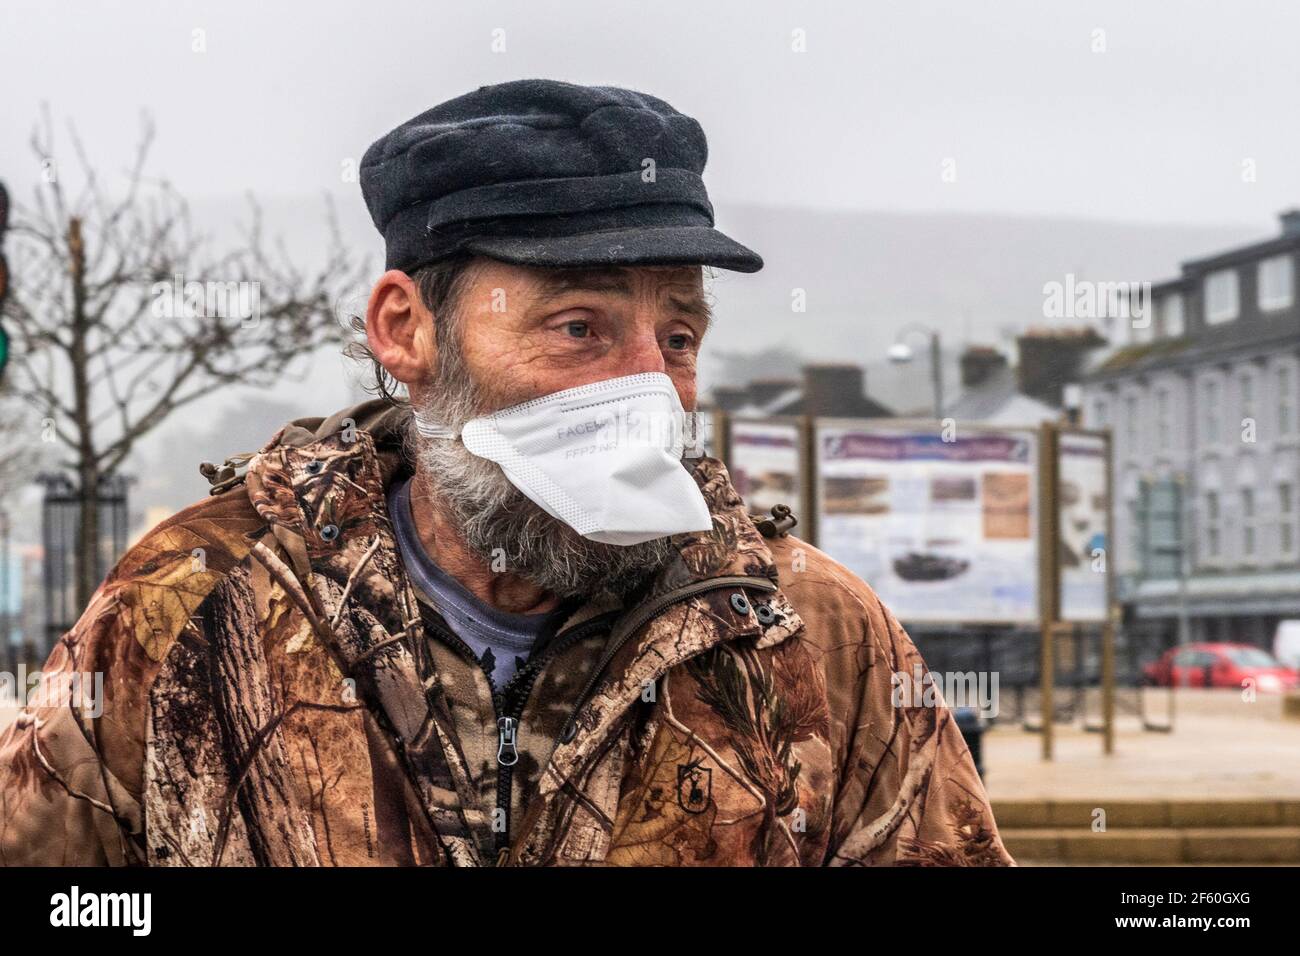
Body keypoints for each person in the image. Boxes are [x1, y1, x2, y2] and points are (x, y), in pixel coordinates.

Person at [0, 79, 1013, 866]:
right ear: (406, 330)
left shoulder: (807, 633)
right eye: (580, 327)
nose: (645, 390)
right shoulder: (193, 605)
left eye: (677, 333)